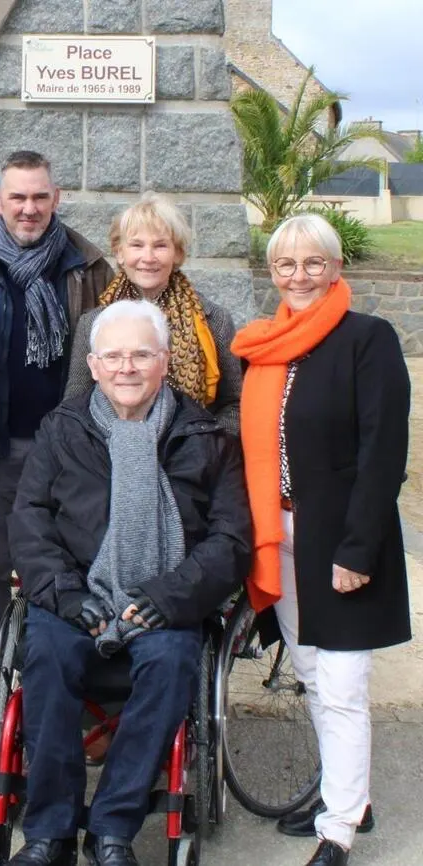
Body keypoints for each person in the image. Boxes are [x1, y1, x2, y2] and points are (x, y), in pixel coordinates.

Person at [5, 300, 251, 866]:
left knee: (169, 666)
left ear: (164, 362)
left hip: (166, 599)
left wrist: (167, 598)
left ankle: (113, 828)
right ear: (92, 365)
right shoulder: (62, 429)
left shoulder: (205, 437)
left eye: (141, 354)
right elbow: (30, 520)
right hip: (74, 596)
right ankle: (49, 831)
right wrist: (67, 594)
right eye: (113, 355)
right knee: (47, 659)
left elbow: (230, 540)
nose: (127, 367)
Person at [230, 213, 411, 866]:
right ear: (272, 272)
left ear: (337, 268)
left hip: (341, 540)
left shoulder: (368, 339)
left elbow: (383, 451)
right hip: (276, 533)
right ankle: (351, 797)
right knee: (309, 670)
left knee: (339, 684)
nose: (299, 275)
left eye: (314, 262)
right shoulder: (265, 344)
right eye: (286, 263)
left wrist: (359, 550)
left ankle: (337, 829)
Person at [0, 150, 113, 737]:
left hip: (73, 451)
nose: (29, 209)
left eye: (39, 197)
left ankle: (66, 687)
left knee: (71, 566)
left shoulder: (89, 267)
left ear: (57, 198)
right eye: (17, 198)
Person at [66, 191, 242, 436]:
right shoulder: (94, 323)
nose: (148, 258)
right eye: (137, 245)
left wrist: (207, 447)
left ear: (177, 253)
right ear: (119, 252)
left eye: (160, 245)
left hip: (192, 460)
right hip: (110, 457)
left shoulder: (213, 321)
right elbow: (75, 404)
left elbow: (235, 404)